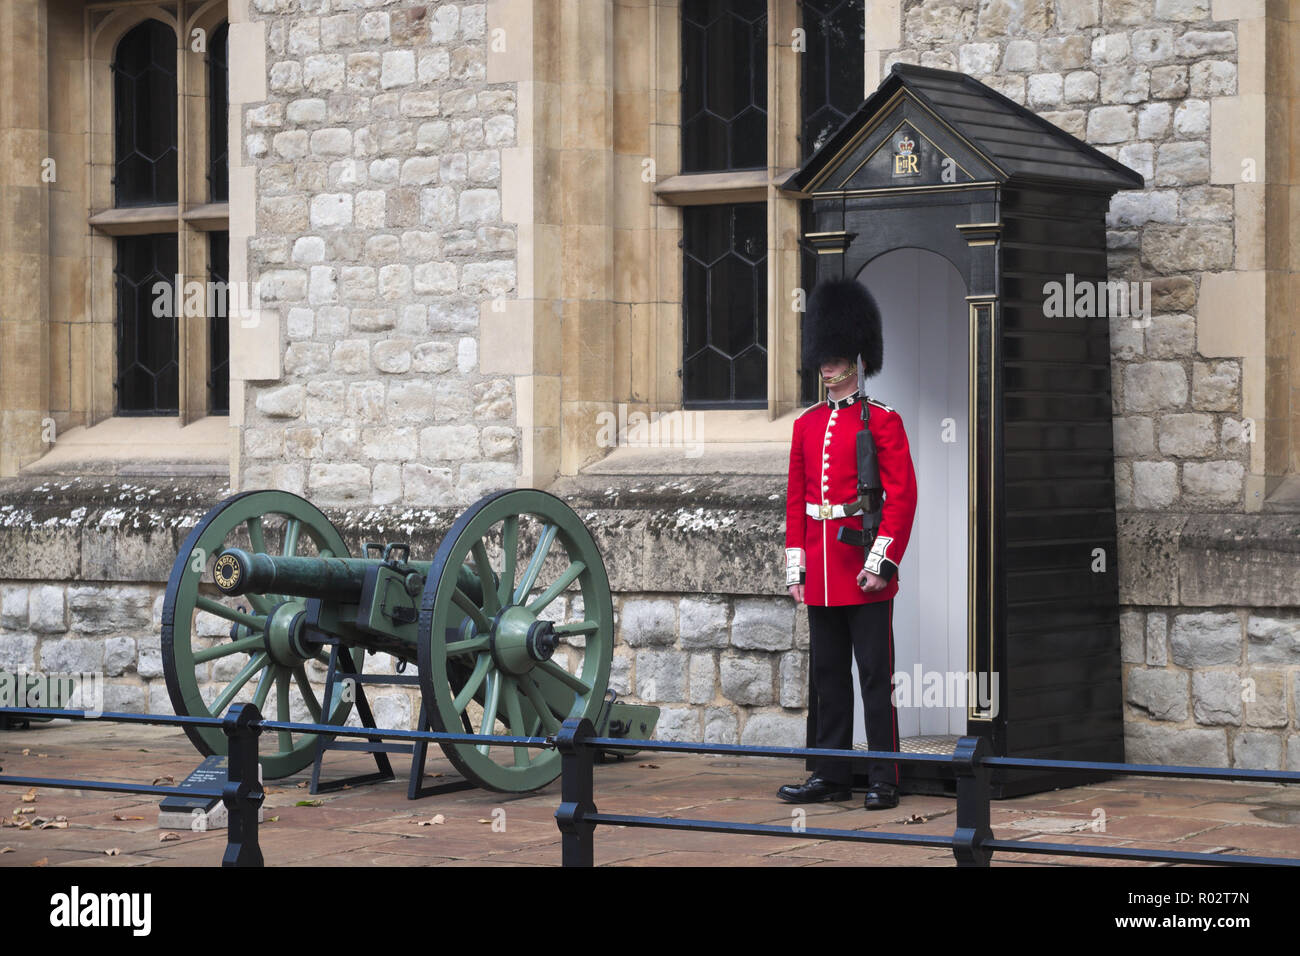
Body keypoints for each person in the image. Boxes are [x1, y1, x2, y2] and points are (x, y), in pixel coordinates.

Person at [779, 277, 918, 811]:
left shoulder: (883, 420)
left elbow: (901, 498)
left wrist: (881, 562)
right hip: (821, 569)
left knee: (875, 680)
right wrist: (798, 567)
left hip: (862, 566)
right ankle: (830, 774)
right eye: (824, 357)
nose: (827, 367)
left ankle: (886, 776)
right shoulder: (808, 425)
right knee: (828, 679)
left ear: (857, 360)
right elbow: (797, 501)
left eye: (836, 358)